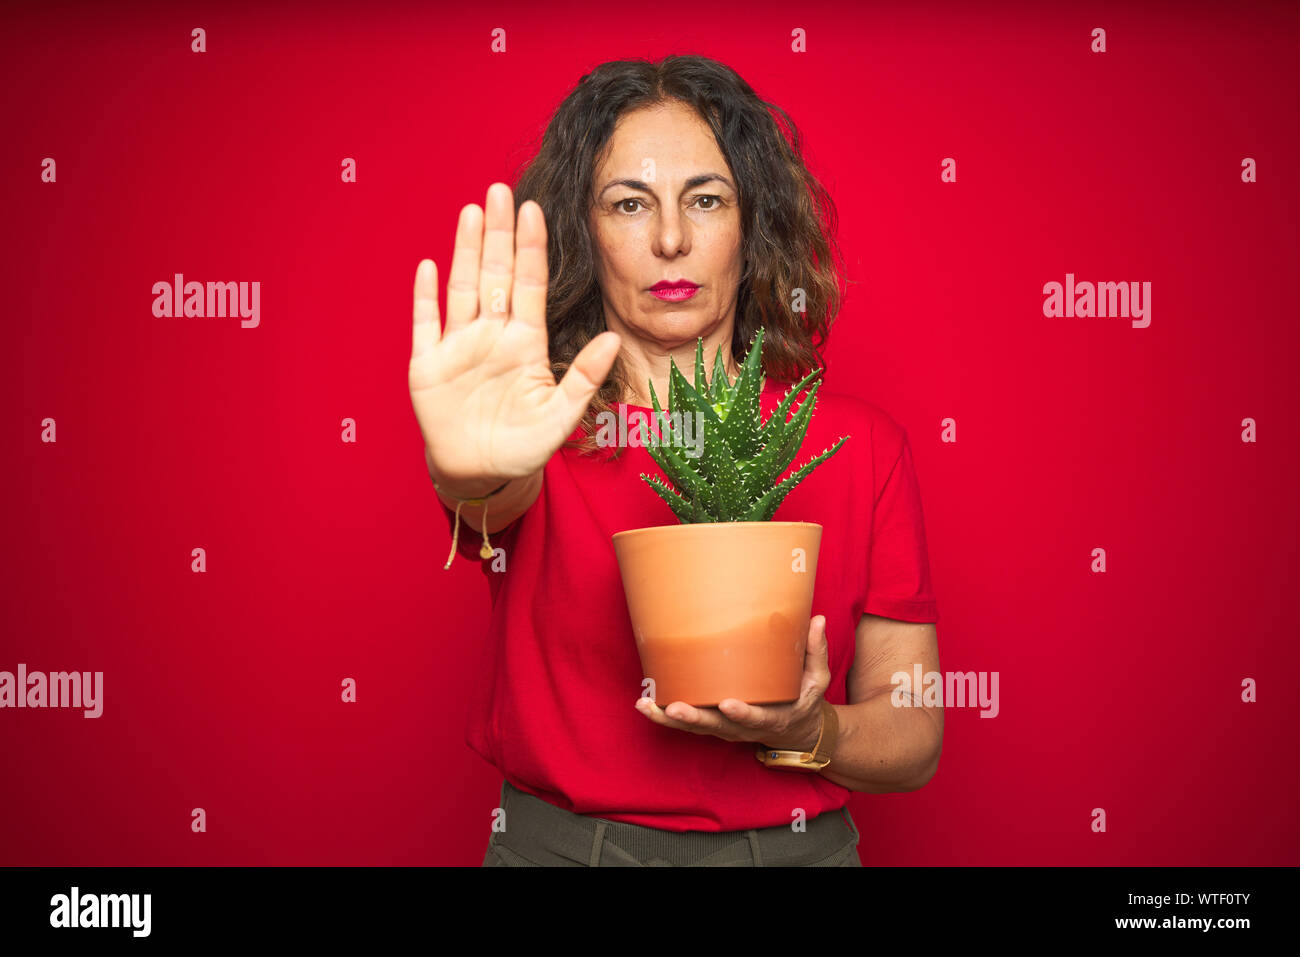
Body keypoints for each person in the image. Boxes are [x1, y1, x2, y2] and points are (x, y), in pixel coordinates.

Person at [409, 55, 942, 867]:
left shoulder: (862, 445)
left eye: (705, 199)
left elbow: (915, 733)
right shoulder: (536, 432)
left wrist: (811, 728)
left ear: (751, 224)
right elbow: (489, 492)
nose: (670, 239)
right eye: (630, 203)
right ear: (584, 232)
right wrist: (470, 468)